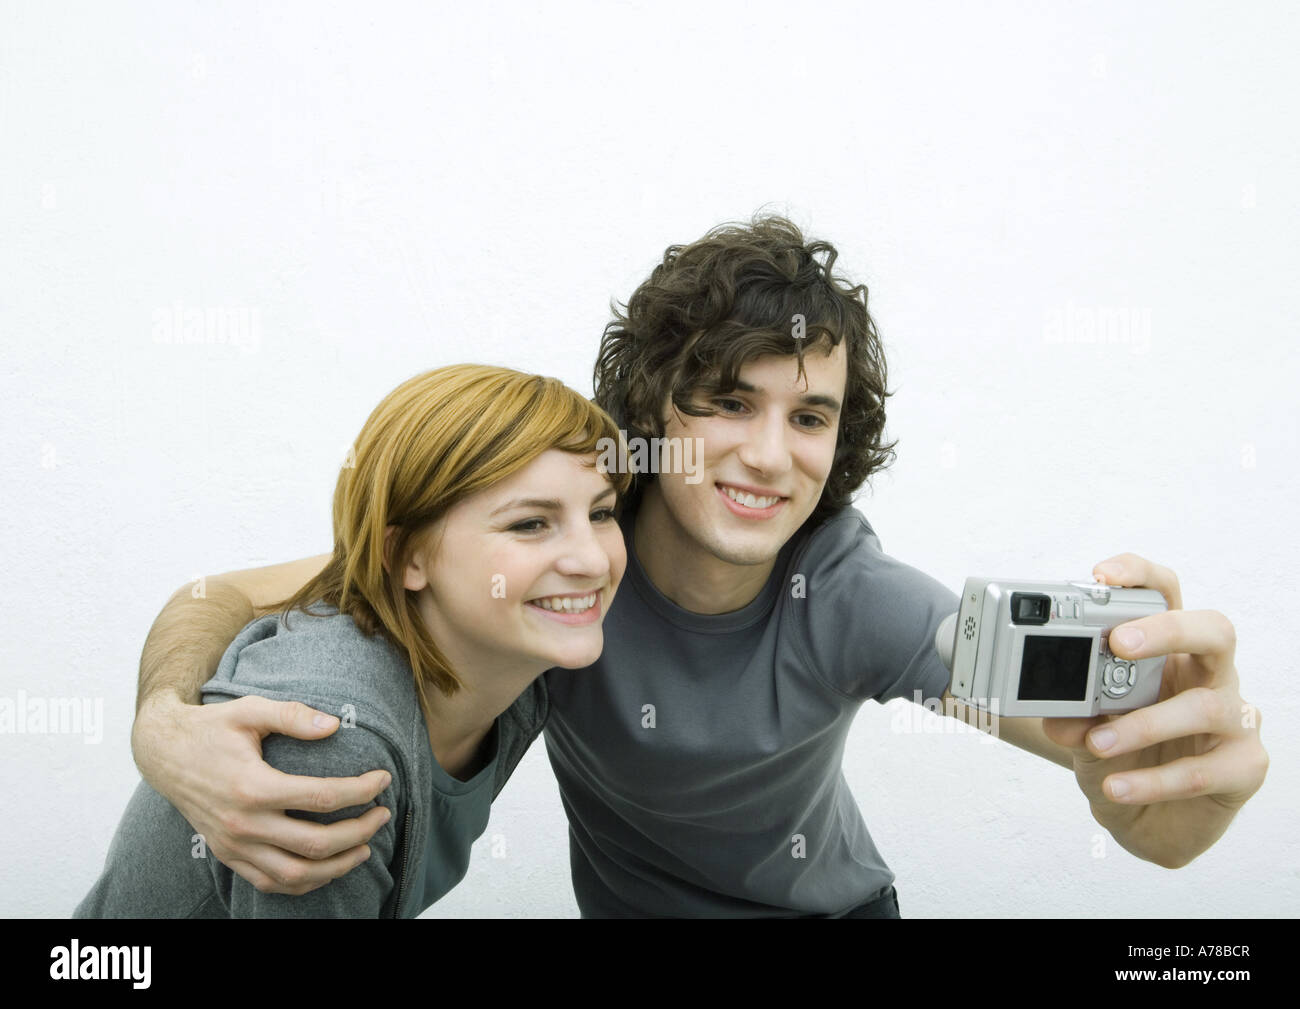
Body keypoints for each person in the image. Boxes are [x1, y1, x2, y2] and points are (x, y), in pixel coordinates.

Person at [118, 214, 1267, 918]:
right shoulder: (559, 570)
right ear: (650, 416)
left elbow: (1139, 813)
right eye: (728, 402)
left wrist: (1181, 791)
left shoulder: (854, 598)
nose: (770, 455)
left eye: (810, 417)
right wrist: (163, 726)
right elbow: (221, 596)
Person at [75, 364, 630, 916]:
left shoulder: (514, 663)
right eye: (530, 524)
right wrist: (157, 719)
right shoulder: (332, 740)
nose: (592, 559)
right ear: (405, 556)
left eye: (602, 513)